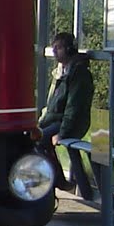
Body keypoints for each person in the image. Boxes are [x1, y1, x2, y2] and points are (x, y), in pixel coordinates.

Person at [38, 31, 93, 190]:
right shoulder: (61, 72)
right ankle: (54, 180)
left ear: (69, 49)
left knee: (40, 141)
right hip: (55, 120)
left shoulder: (78, 74)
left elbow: (73, 108)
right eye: (53, 47)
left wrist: (62, 132)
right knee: (30, 137)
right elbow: (52, 104)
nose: (54, 51)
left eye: (59, 48)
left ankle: (59, 181)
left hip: (68, 123)